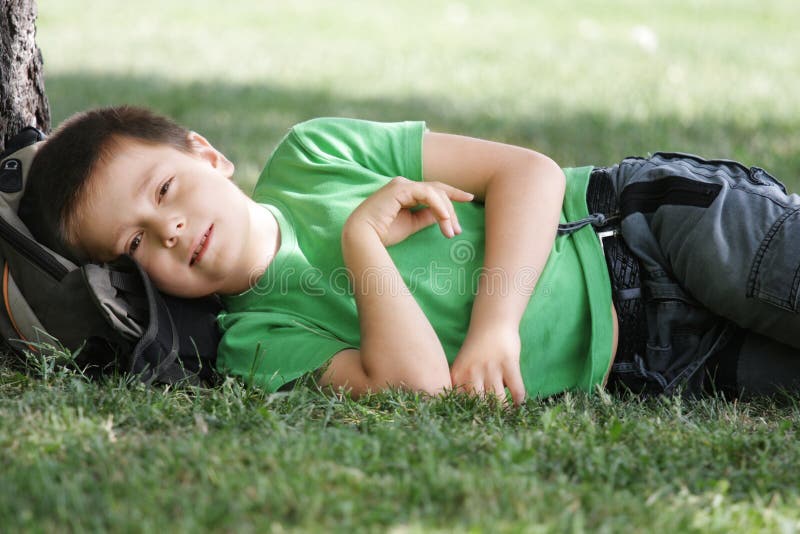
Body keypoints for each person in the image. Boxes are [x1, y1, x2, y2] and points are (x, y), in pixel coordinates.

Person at [20, 106, 800, 404]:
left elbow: (523, 172)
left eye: (165, 191)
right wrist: (362, 242)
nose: (172, 232)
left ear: (208, 154)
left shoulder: (314, 154)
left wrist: (497, 325)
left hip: (640, 231)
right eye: (134, 244)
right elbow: (419, 383)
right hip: (655, 365)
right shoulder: (253, 344)